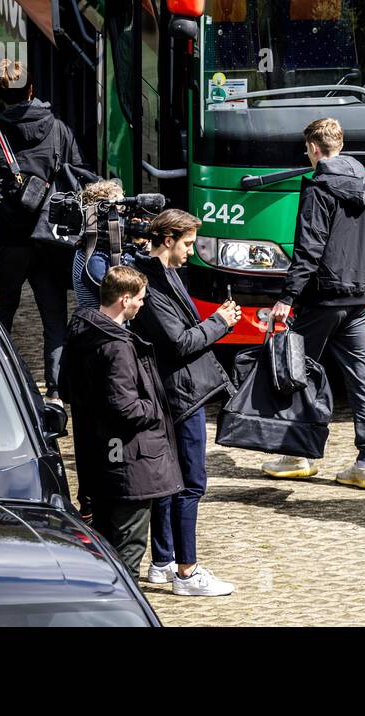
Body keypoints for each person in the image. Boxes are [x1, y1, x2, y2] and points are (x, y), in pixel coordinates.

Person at [264, 118, 365, 489]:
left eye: (307, 149)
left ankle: (298, 453)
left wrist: (287, 298)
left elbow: (309, 249)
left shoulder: (318, 187)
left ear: (314, 149)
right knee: (362, 376)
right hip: (362, 296)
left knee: (296, 369)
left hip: (324, 296)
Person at [0, 58, 89, 401]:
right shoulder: (59, 129)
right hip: (52, 241)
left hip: (10, 243)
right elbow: (78, 178)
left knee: (0, 315)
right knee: (54, 322)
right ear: (32, 90)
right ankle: (58, 392)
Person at [130, 209, 239, 597]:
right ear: (168, 240)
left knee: (169, 482)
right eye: (188, 244)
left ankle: (161, 562)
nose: (190, 252)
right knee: (190, 484)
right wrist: (220, 324)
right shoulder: (155, 285)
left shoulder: (164, 274)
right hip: (180, 395)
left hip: (176, 392)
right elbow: (180, 343)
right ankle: (186, 572)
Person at [59, 265, 183, 575]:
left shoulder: (82, 332)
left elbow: (67, 388)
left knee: (105, 541)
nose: (143, 304)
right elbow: (124, 407)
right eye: (139, 298)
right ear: (124, 299)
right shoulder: (118, 346)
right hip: (132, 462)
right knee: (129, 547)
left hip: (100, 455)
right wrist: (155, 407)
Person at [72, 179, 126, 310]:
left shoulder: (90, 247)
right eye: (119, 213)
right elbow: (122, 298)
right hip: (104, 326)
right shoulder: (95, 259)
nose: (123, 219)